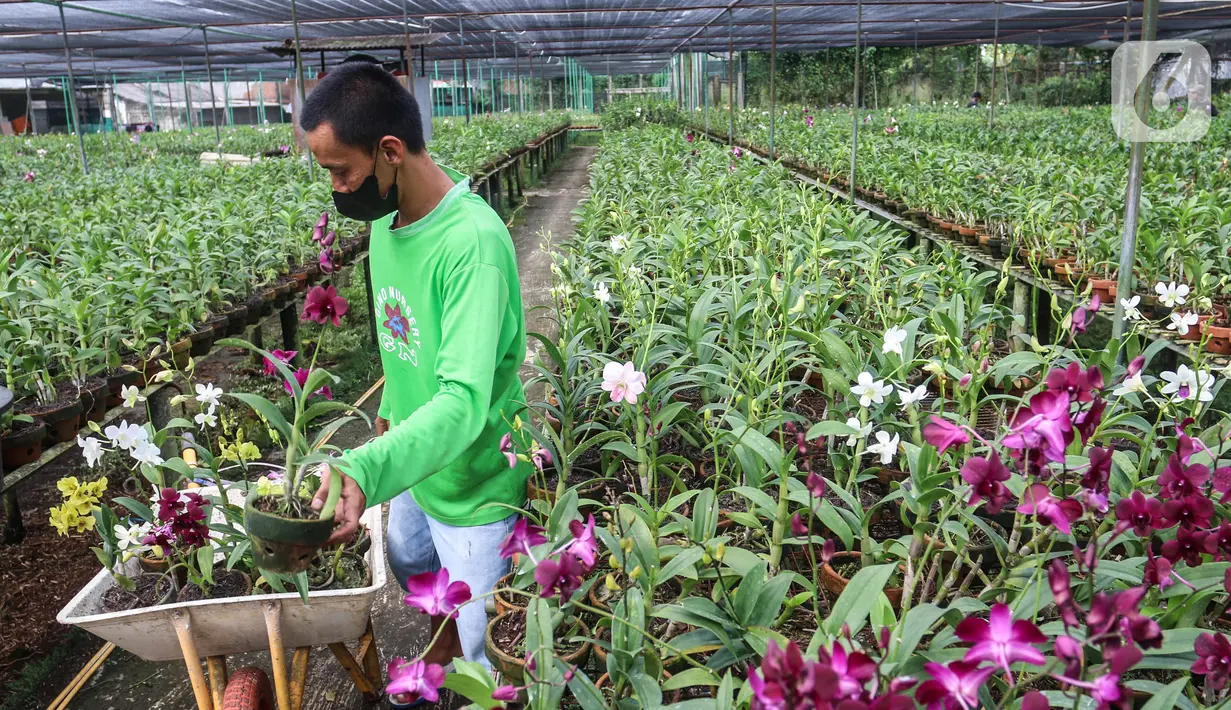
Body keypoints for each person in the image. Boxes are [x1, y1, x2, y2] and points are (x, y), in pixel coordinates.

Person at [300, 62, 530, 686]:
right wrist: (390, 410)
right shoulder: (386, 223)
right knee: (409, 560)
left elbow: (461, 403)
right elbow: (401, 334)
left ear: (390, 151)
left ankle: (463, 652)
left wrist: (365, 468)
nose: (337, 189)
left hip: (475, 478)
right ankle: (441, 640)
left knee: (490, 660)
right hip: (411, 454)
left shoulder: (472, 246)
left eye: (340, 171)